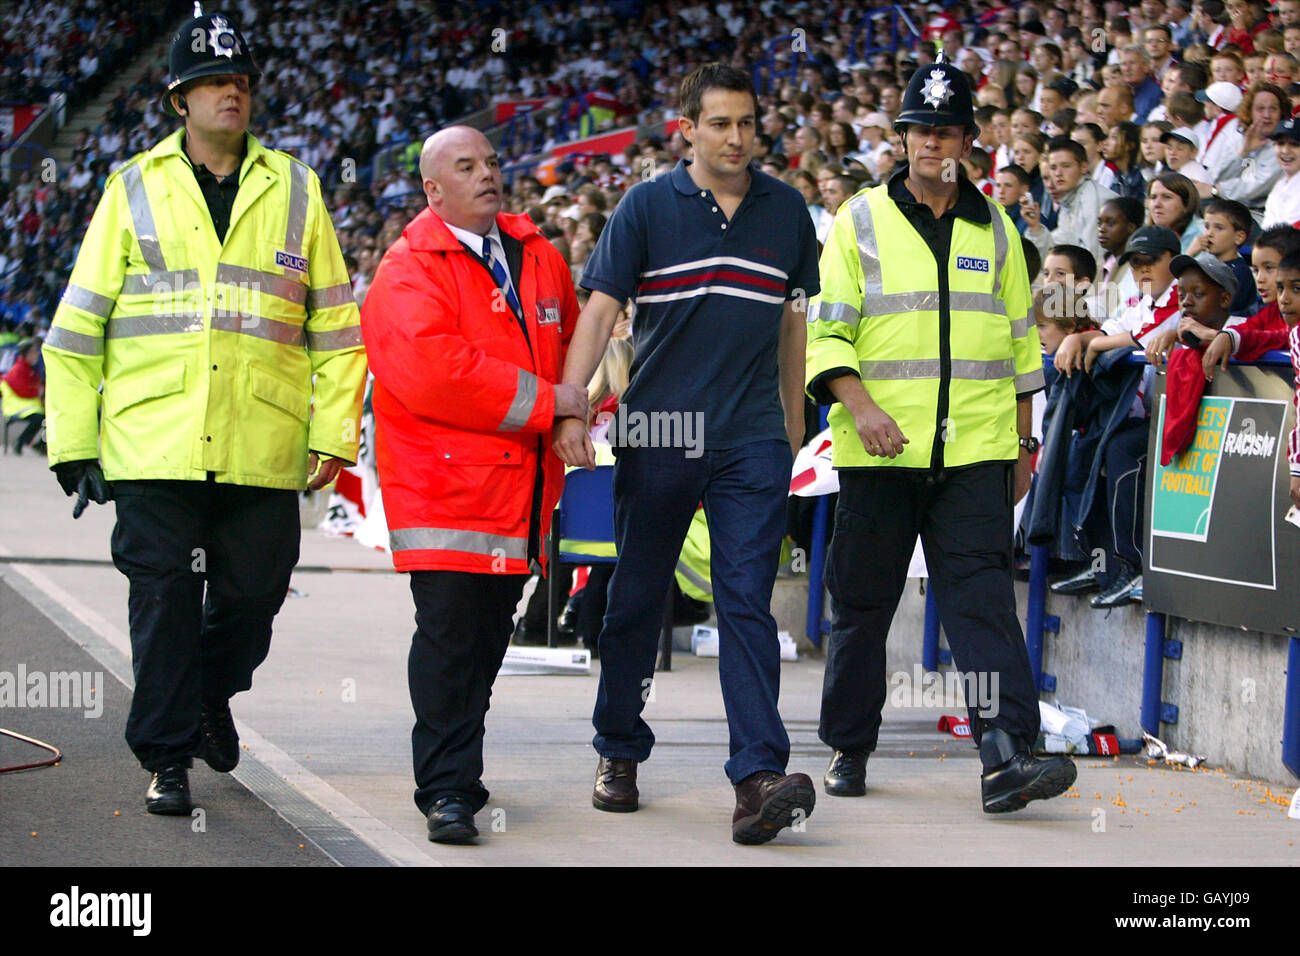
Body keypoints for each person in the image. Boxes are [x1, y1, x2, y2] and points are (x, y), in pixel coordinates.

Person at [42, 10, 367, 814]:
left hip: (262, 438)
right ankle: (167, 758)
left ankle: (204, 698)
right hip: (153, 442)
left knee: (256, 593)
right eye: (217, 80)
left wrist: (333, 433)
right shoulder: (132, 189)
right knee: (163, 601)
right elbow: (76, 331)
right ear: (178, 98)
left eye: (243, 81)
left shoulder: (297, 187)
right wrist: (75, 443)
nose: (234, 91)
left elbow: (335, 327)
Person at [553, 63, 821, 845]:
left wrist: (792, 429)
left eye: (747, 122)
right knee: (636, 602)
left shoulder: (787, 213)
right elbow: (601, 312)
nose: (736, 137)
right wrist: (573, 407)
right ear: (688, 128)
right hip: (657, 435)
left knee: (745, 603)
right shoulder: (644, 207)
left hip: (751, 443)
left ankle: (758, 776)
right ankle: (618, 750)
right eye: (720, 123)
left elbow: (792, 325)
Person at [805, 61, 1077, 813]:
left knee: (983, 605)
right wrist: (860, 408)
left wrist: (1023, 447)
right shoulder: (857, 219)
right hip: (878, 452)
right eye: (920, 129)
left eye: (946, 129)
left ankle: (1005, 756)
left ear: (967, 139)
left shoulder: (996, 226)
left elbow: (1023, 347)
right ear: (904, 137)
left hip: (975, 454)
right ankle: (849, 745)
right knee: (863, 605)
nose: (932, 141)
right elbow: (827, 339)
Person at [359, 126, 581, 845]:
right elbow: (436, 372)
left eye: (490, 161)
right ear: (432, 189)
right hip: (447, 497)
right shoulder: (408, 268)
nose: (488, 173)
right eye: (467, 166)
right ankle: (448, 791)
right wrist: (555, 405)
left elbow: (574, 342)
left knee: (482, 646)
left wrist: (584, 405)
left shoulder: (539, 254)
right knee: (454, 643)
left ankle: (457, 771)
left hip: (519, 498)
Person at [1, 335, 44, 453]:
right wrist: (38, 391)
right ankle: (20, 442)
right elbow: (24, 391)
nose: (36, 355)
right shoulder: (17, 370)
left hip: (30, 406)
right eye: (34, 352)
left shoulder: (32, 369)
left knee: (52, 418)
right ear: (26, 354)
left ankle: (41, 444)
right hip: (16, 407)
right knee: (40, 418)